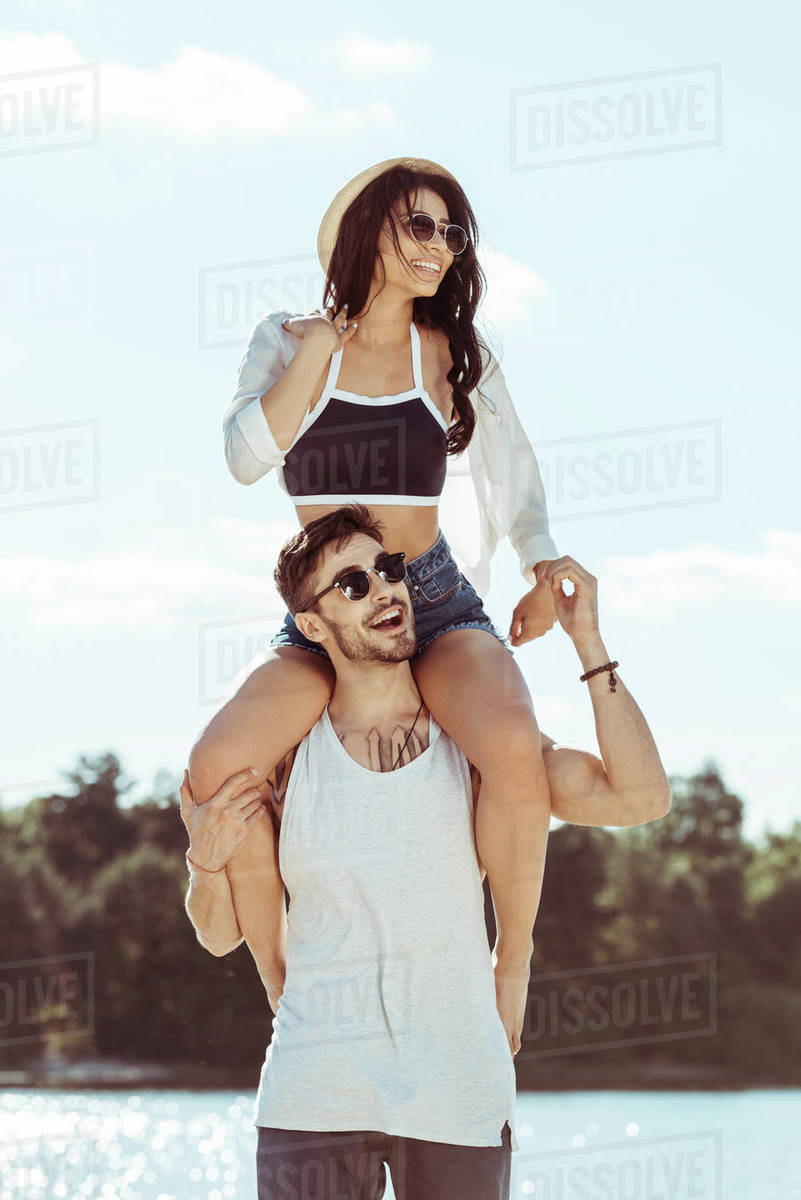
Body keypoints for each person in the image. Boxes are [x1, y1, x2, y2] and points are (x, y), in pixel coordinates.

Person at [181, 505, 671, 1200]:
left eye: (387, 570)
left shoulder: (478, 748)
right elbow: (218, 933)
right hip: (313, 1100)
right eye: (353, 583)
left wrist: (587, 642)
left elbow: (640, 798)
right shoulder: (287, 761)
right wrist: (203, 864)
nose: (383, 588)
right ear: (313, 625)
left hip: (457, 1100)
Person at [190, 158, 566, 1046]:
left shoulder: (448, 352)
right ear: (370, 230)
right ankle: (287, 998)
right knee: (218, 774)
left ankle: (506, 968)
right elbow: (245, 456)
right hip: (326, 612)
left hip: (429, 595)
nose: (440, 246)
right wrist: (318, 347)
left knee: (513, 746)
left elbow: (514, 465)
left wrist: (541, 563)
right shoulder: (284, 340)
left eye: (451, 232)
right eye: (420, 226)